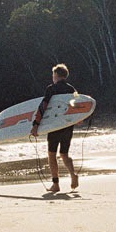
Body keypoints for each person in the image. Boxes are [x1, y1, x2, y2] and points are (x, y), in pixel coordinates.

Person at [30, 63, 78, 193]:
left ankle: (56, 184)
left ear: (56, 75)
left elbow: (43, 107)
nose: (52, 77)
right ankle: (73, 174)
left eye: (53, 75)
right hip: (67, 125)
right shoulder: (71, 89)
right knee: (64, 153)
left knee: (52, 155)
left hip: (55, 126)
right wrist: (79, 119)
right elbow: (77, 106)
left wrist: (36, 124)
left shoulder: (51, 89)